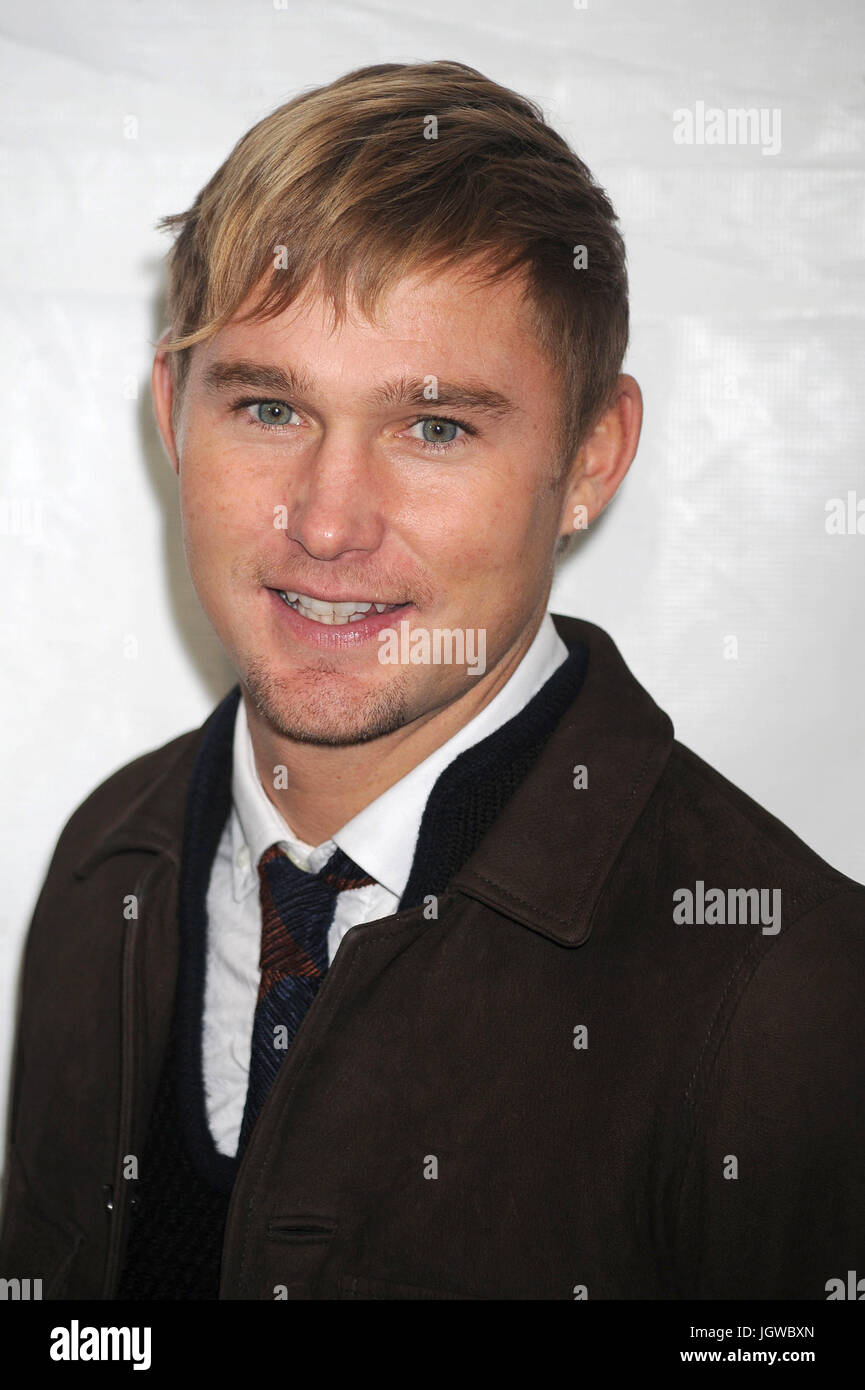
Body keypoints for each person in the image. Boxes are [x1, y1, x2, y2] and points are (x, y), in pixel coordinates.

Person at [1, 59, 862, 1303]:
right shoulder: (103, 870)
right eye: (267, 406)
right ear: (175, 416)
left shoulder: (792, 994)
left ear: (590, 457)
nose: (330, 522)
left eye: (435, 427)